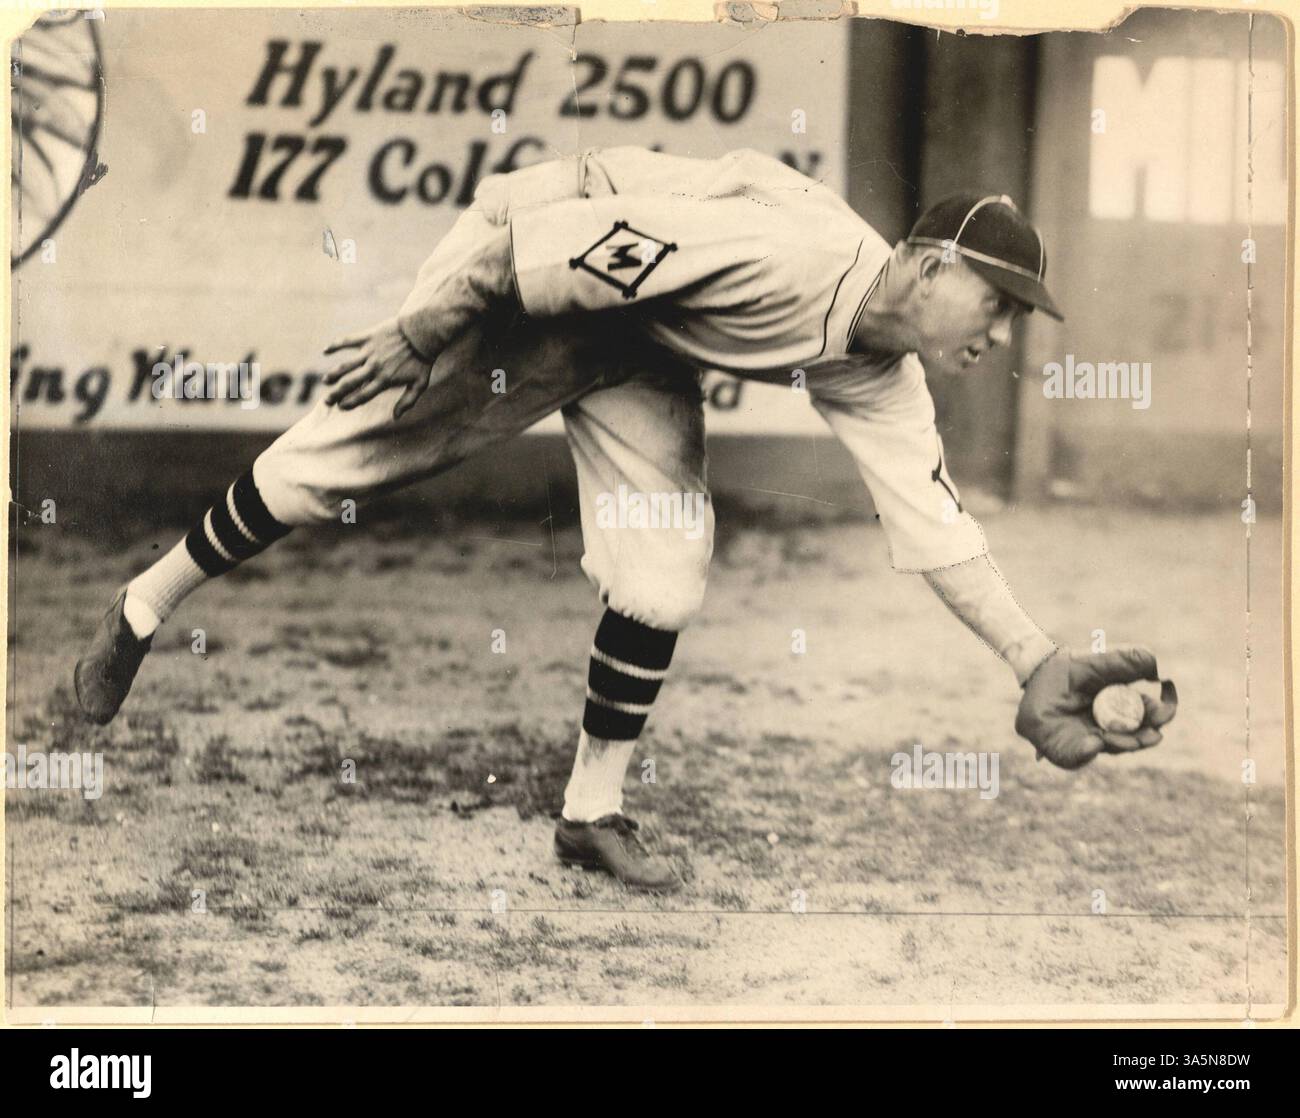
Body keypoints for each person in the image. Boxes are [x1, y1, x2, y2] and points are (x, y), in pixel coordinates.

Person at [75, 146, 1177, 892]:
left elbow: (933, 522)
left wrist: (1031, 655)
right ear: (931, 268)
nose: (1005, 330)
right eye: (997, 302)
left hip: (642, 343)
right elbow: (537, 252)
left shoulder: (881, 363)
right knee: (342, 460)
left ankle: (589, 812)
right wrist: (420, 330)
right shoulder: (786, 259)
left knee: (663, 571)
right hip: (527, 257)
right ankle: (142, 603)